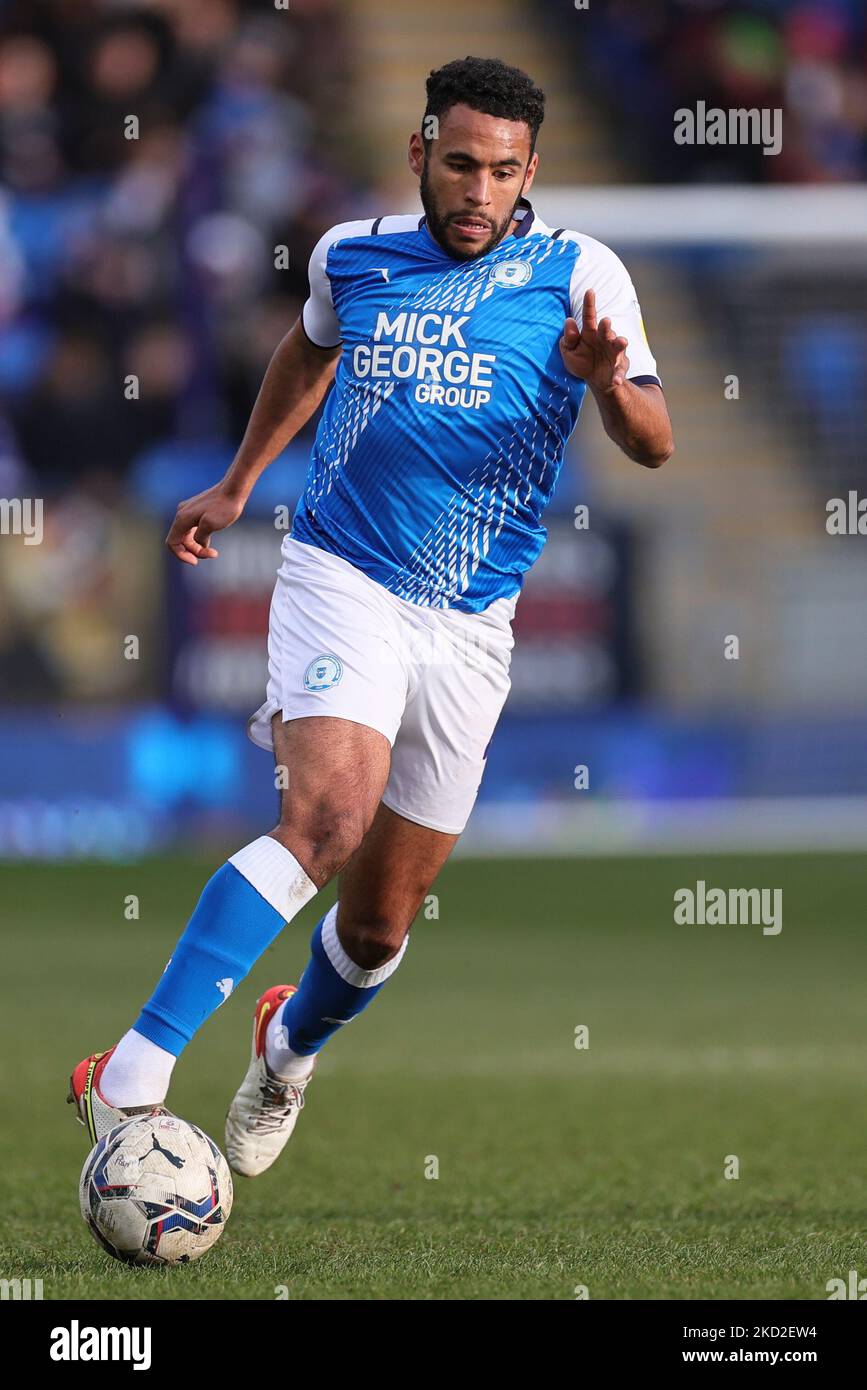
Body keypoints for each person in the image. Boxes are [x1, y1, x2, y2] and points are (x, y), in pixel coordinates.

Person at [69, 56, 673, 1177]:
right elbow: (309, 348)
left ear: (530, 171)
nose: (477, 192)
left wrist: (604, 382)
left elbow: (654, 440)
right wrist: (242, 482)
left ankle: (288, 1049)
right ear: (419, 154)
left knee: (382, 923)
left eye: (501, 172)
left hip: (471, 623)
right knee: (327, 821)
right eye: (458, 166)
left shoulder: (582, 273)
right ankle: (133, 1072)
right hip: (340, 571)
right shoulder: (354, 254)